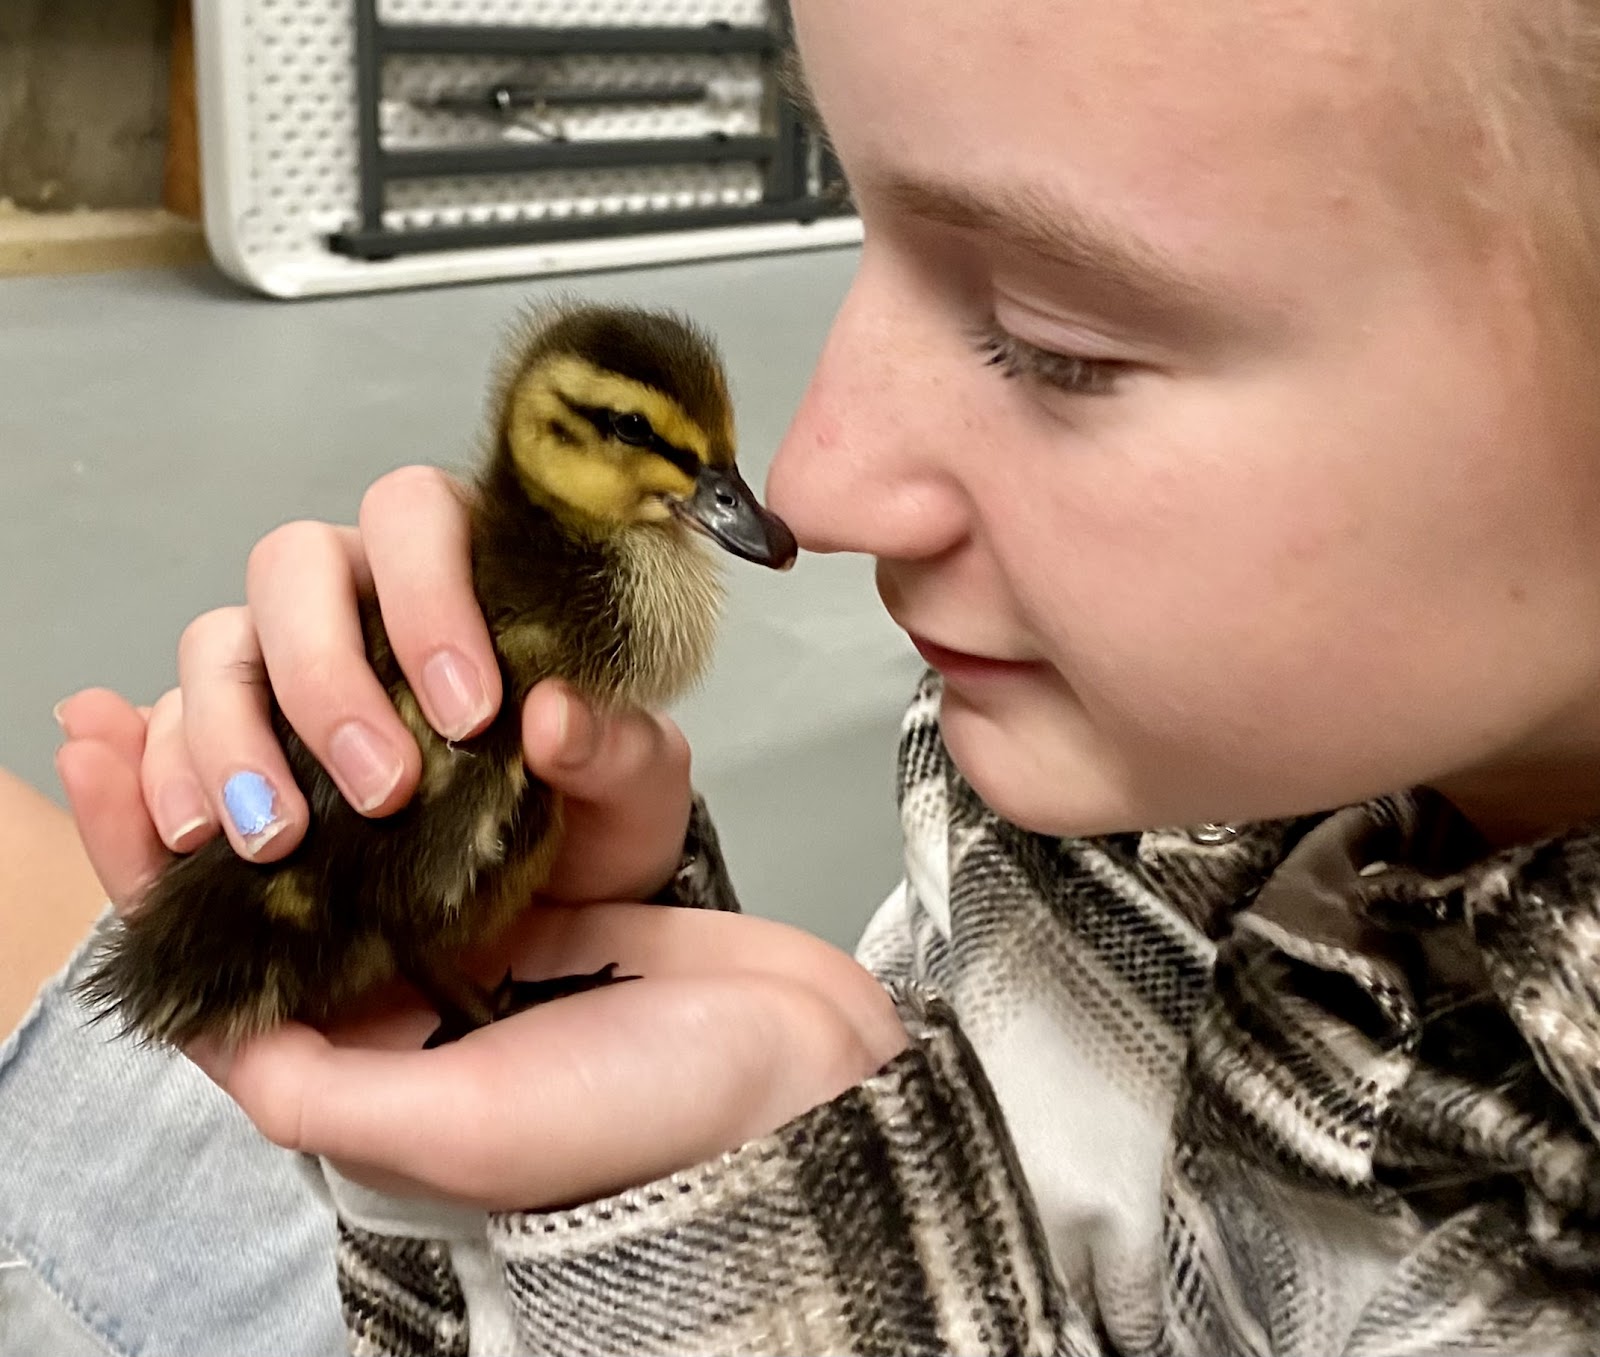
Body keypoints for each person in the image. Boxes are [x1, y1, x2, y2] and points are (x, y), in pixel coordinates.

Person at [11, 0, 1600, 1350]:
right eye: (865, 226)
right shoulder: (1117, 762)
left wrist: (779, 1235)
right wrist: (588, 966)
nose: (816, 480)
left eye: (1058, 335)